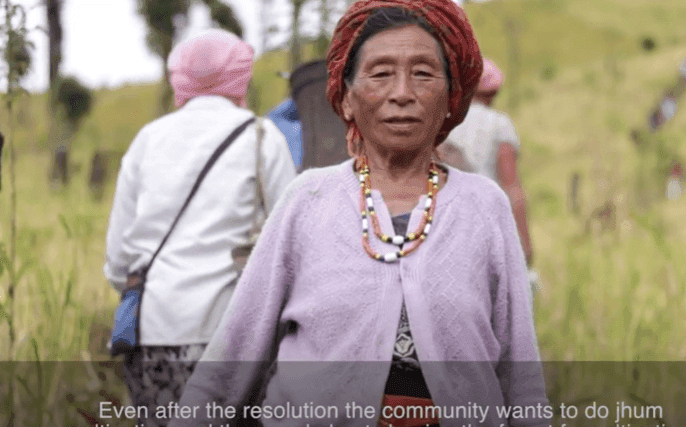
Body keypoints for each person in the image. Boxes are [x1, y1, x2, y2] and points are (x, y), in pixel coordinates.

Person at [170, 2, 548, 427]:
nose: (402, 92)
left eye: (423, 74)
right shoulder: (307, 200)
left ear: (450, 99)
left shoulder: (485, 206)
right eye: (381, 73)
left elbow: (522, 381)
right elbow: (231, 359)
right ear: (347, 99)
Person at [103, 29, 297, 427]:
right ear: (240, 76)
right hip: (234, 336)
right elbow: (289, 246)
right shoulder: (263, 137)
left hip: (153, 333)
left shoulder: (147, 140)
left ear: (180, 80)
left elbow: (118, 261)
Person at [442, 57, 535, 266]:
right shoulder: (500, 125)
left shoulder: (444, 122)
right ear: (493, 93)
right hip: (486, 221)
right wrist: (525, 245)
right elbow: (512, 187)